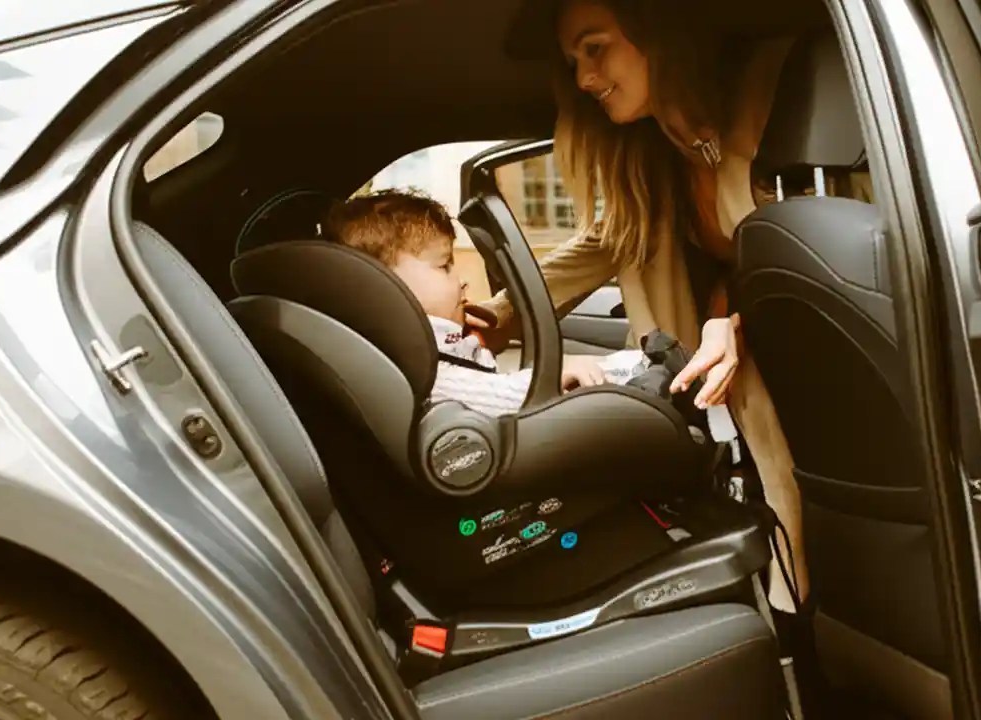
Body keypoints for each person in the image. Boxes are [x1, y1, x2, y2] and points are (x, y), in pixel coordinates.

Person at [471, 0, 809, 611]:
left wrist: (733, 318)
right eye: (574, 61)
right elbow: (609, 240)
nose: (583, 78)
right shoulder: (655, 157)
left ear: (658, 28)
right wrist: (498, 317)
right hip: (720, 392)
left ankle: (793, 621)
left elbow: (806, 257)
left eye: (595, 47)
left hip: (804, 379)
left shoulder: (773, 108)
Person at [325, 189, 655, 417]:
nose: (461, 280)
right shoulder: (416, 365)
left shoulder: (428, 345)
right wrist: (556, 374)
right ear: (380, 286)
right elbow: (496, 396)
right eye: (444, 266)